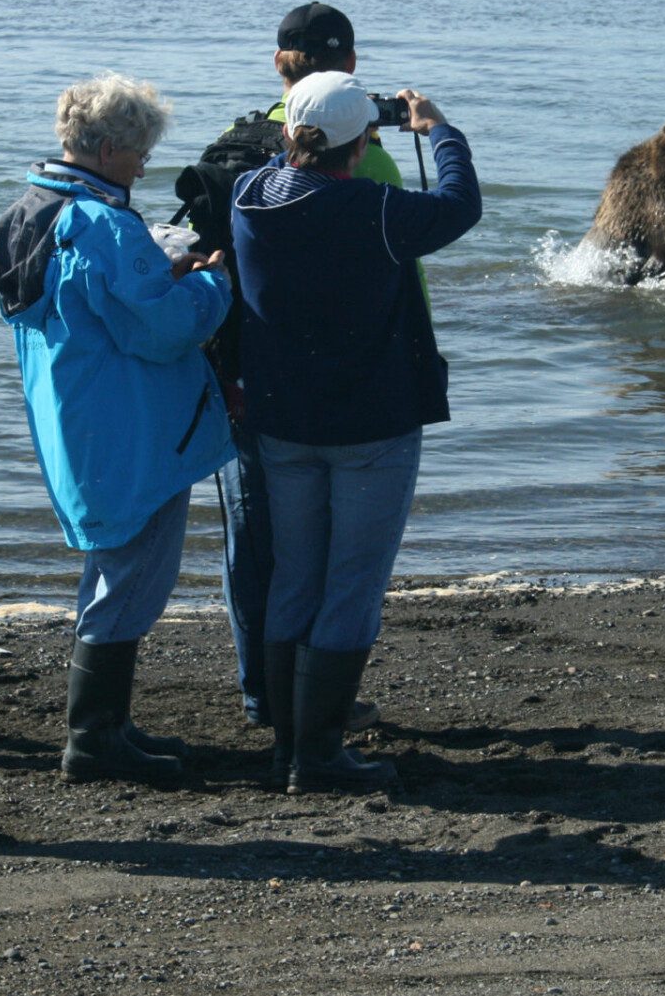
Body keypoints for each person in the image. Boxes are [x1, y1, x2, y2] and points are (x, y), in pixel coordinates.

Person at [230, 70, 481, 793]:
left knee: (296, 577)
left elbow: (285, 166)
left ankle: (287, 747)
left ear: (288, 136)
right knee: (351, 586)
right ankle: (319, 754)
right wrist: (439, 130)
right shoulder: (374, 209)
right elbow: (459, 204)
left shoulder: (252, 196)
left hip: (284, 420)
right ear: (364, 142)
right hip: (372, 424)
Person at [0, 73, 234, 785]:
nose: (144, 164)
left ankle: (106, 722)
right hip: (128, 423)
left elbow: (95, 304)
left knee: (110, 564)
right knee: (132, 572)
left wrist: (160, 270)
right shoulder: (100, 223)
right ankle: (93, 735)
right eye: (135, 151)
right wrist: (211, 281)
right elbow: (162, 327)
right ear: (102, 148)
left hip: (73, 411)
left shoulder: (25, 210)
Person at [206, 2, 408, 731]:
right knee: (340, 560)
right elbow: (402, 272)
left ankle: (263, 692)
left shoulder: (242, 148)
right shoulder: (370, 156)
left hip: (250, 381)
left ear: (278, 67)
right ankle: (318, 714)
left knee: (262, 549)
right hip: (344, 397)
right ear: (351, 65)